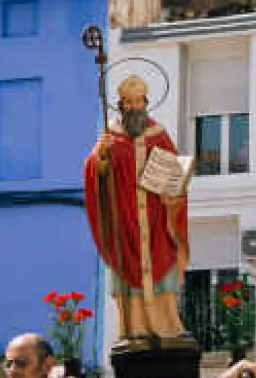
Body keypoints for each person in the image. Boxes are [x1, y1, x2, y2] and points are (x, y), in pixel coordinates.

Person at [82, 75, 191, 349]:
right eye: (128, 102)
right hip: (124, 220)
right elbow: (96, 173)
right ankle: (133, 330)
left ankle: (169, 327)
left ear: (146, 103)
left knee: (162, 265)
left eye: (138, 101)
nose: (133, 107)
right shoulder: (110, 136)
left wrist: (172, 194)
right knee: (127, 268)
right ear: (120, 104)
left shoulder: (159, 135)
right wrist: (100, 157)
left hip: (156, 219)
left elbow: (175, 177)